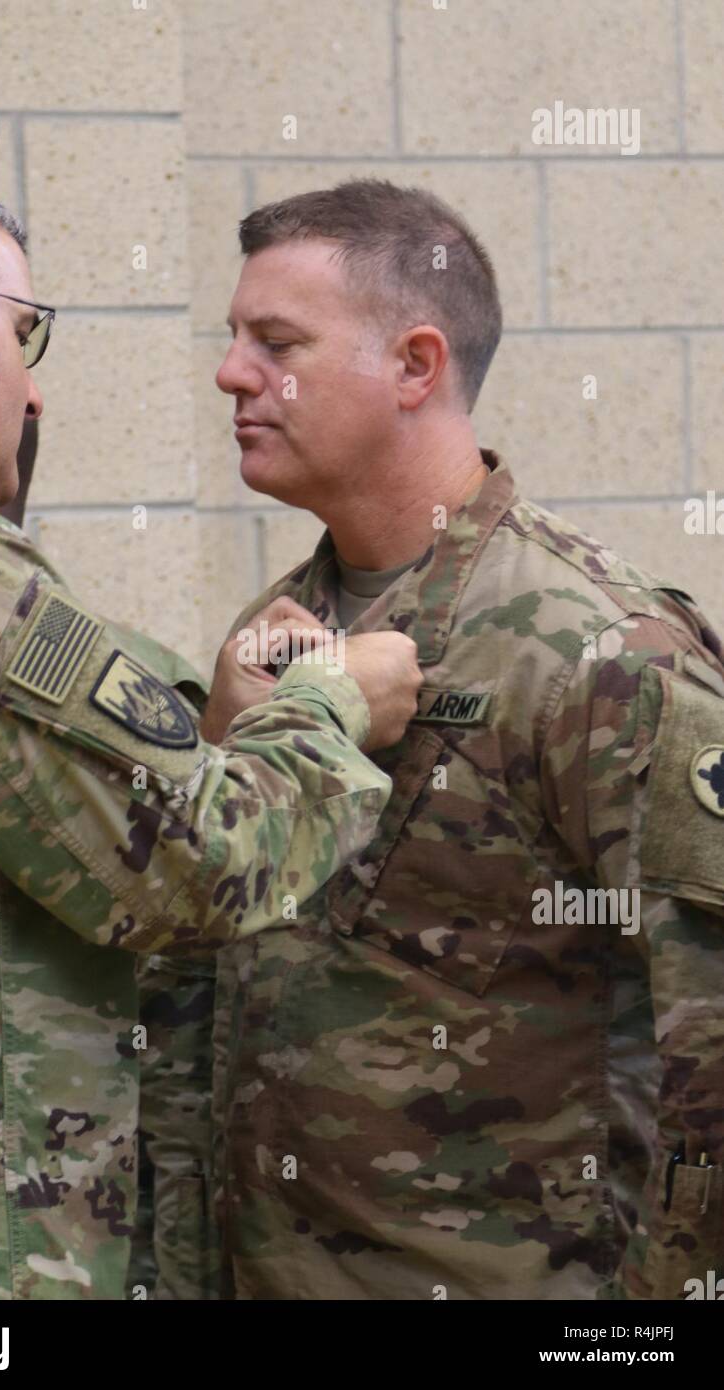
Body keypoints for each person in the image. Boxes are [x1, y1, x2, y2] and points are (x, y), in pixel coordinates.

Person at [0, 156, 423, 1301]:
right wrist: (329, 705)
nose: (31, 390)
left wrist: (193, 729)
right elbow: (193, 863)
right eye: (26, 333)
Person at [153, 178, 724, 1300]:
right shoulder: (276, 637)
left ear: (414, 366)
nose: (230, 373)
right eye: (232, 340)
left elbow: (705, 1044)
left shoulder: (597, 652)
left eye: (274, 343)